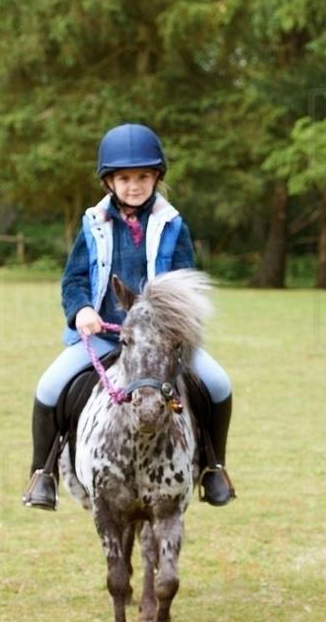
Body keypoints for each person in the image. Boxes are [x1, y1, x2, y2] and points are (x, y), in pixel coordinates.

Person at [21, 123, 235, 510]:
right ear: (109, 182)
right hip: (103, 333)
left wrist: (171, 327)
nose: (134, 185)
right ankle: (43, 473)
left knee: (218, 384)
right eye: (124, 178)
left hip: (159, 341)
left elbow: (184, 286)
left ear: (156, 178)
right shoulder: (92, 224)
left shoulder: (173, 226)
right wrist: (82, 309)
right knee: (49, 387)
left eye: (143, 177)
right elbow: (74, 279)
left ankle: (213, 468)